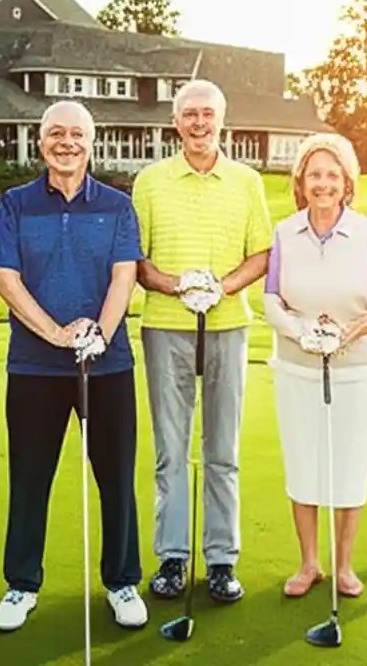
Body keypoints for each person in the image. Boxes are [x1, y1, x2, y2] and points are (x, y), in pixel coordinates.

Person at [0, 100, 148, 631]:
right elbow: (7, 281)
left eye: (77, 134)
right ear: (40, 143)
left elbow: (123, 277)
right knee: (30, 477)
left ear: (91, 142)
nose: (66, 142)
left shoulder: (118, 205)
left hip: (107, 364)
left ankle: (122, 581)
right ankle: (21, 584)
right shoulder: (13, 204)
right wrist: (57, 335)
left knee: (116, 475)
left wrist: (98, 334)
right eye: (55, 133)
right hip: (34, 366)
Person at [132, 79, 272, 603]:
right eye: (189, 114)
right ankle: (172, 556)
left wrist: (220, 287)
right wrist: (177, 285)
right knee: (170, 449)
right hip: (166, 324)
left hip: (228, 324)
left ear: (221, 119)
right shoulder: (150, 181)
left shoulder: (246, 182)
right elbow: (138, 261)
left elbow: (260, 254)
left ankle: (220, 560)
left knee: (222, 450)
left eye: (207, 114)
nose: (198, 123)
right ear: (176, 122)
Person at [262, 133, 367, 599]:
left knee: (348, 466)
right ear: (301, 181)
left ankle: (344, 567)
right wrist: (301, 334)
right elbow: (271, 299)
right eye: (314, 174)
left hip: (357, 369)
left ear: (347, 182)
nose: (323, 184)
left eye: (332, 175)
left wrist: (351, 332)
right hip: (297, 367)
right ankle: (309, 564)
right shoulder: (284, 233)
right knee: (303, 462)